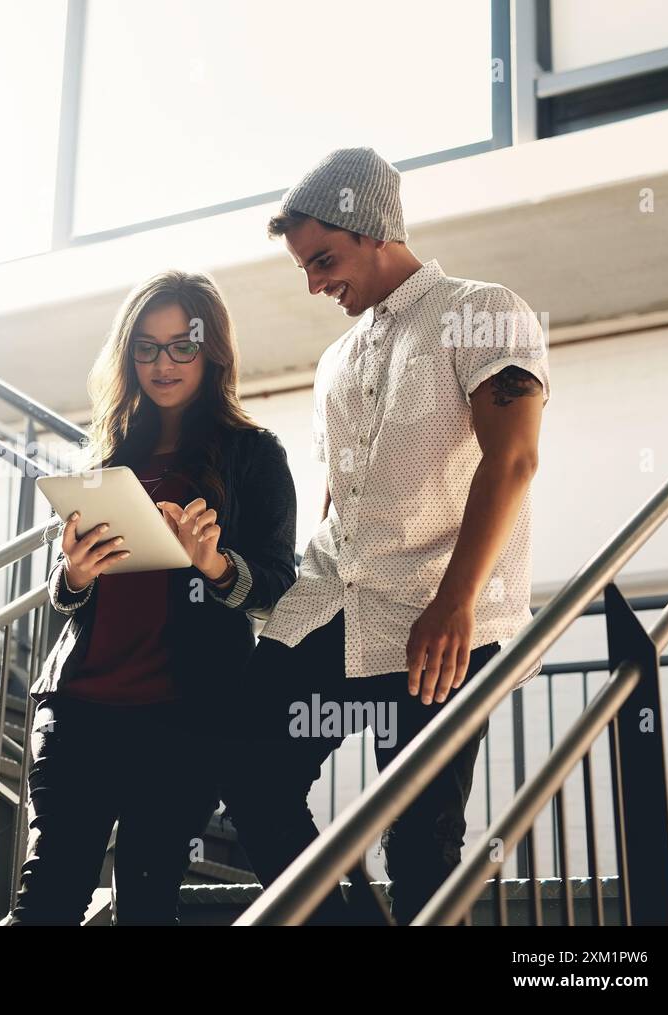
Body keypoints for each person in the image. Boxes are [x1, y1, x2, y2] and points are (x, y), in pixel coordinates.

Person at [219, 147, 550, 924]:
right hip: (332, 606)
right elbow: (342, 498)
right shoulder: (336, 359)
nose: (314, 283)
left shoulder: (483, 309)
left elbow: (513, 459)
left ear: (375, 230)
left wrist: (456, 602)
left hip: (436, 624)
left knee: (419, 846)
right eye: (303, 266)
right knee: (249, 767)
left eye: (324, 259)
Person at [6, 269, 298, 925]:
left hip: (184, 717)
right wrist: (73, 576)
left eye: (180, 346)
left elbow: (279, 579)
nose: (161, 363)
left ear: (211, 351)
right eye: (145, 346)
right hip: (79, 705)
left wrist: (217, 564)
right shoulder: (112, 451)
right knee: (46, 897)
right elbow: (73, 591)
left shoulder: (254, 456)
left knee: (145, 898)